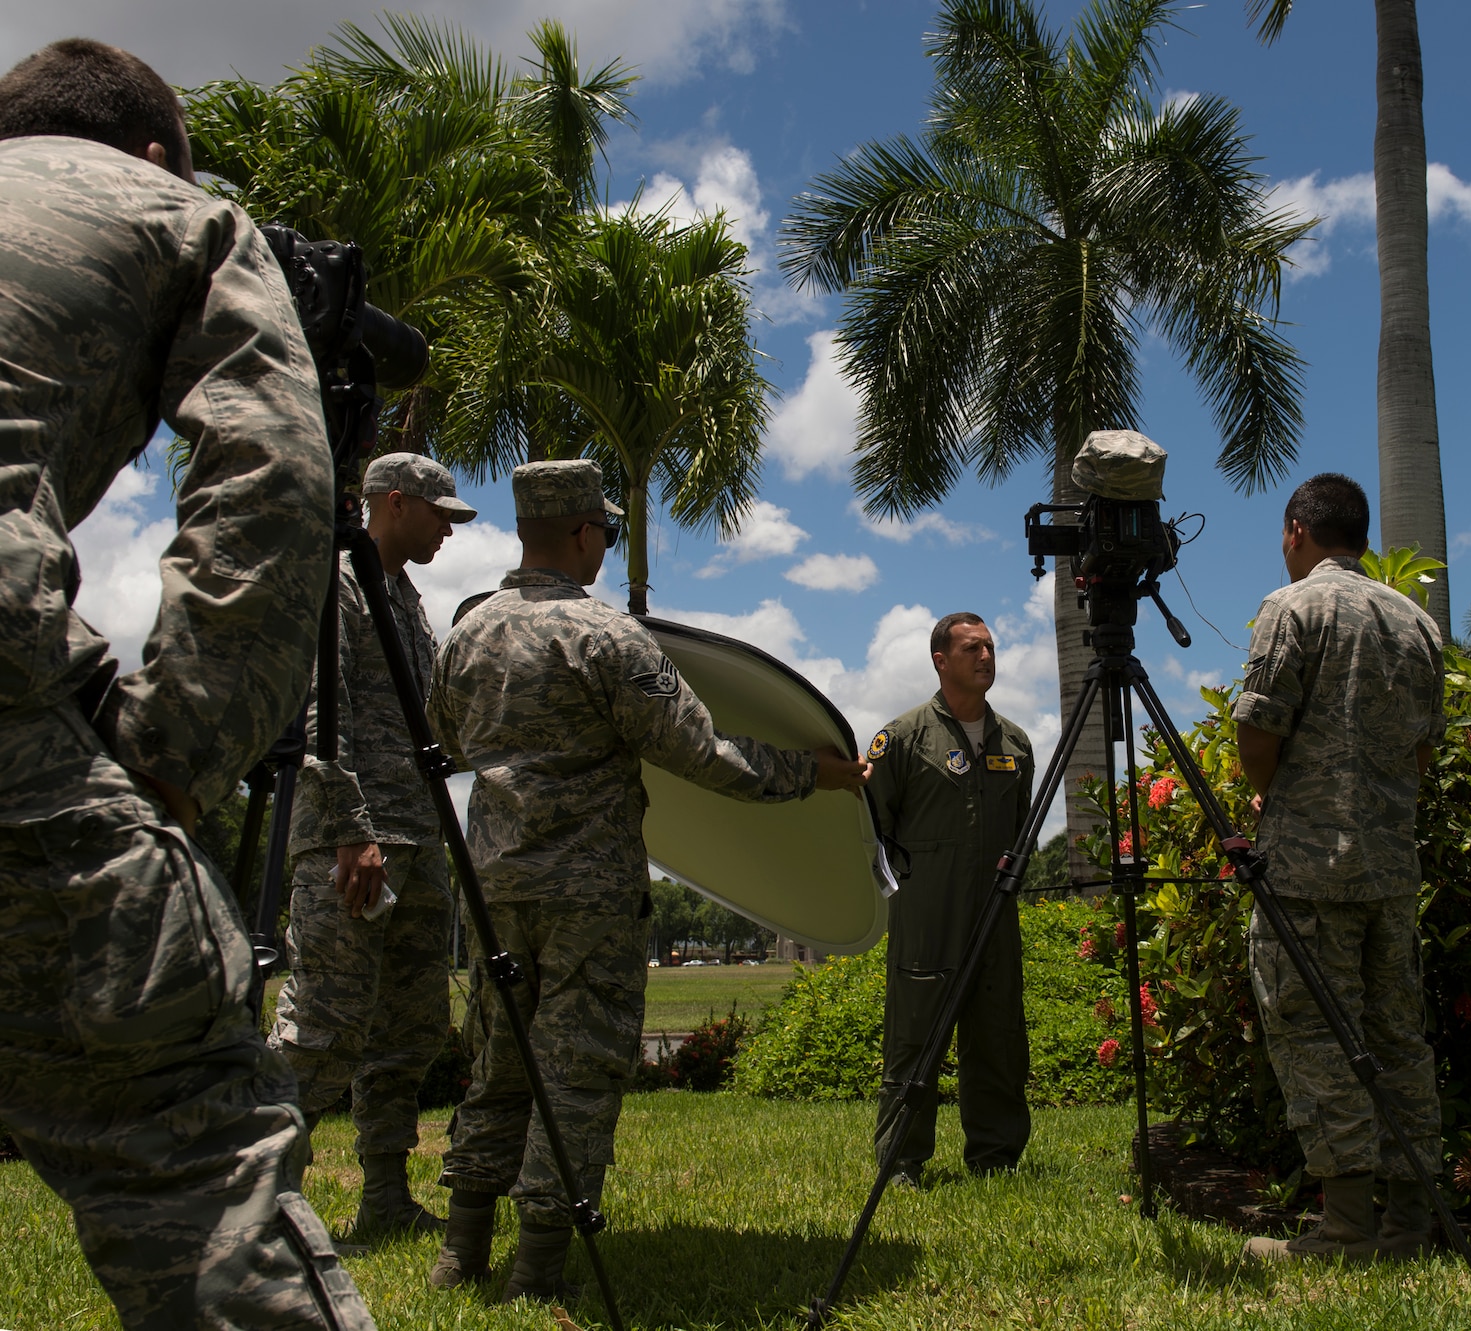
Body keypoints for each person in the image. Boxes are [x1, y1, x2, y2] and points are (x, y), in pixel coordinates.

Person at [0, 38, 374, 1330]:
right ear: (155, 151)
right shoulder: (176, 213)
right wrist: (170, 759)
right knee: (188, 1155)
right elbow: (272, 481)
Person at [424, 459, 869, 1301]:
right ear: (583, 532)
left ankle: (460, 1251)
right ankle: (537, 1271)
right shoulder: (607, 637)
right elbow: (705, 753)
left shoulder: (466, 635)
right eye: (604, 531)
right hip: (587, 895)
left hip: (493, 889)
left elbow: (444, 746)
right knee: (576, 1071)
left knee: (501, 1061)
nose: (604, 545)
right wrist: (814, 773)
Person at [1232, 473, 1449, 1265]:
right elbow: (1423, 751)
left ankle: (1349, 1227)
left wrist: (1281, 801)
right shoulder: (1416, 621)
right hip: (1389, 869)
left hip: (1309, 869)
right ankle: (1412, 1220)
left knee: (1318, 1036)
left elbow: (1259, 735)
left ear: (1297, 530)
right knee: (1398, 1039)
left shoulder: (1293, 607)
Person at [269, 452, 475, 1238]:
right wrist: (349, 831)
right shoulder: (340, 584)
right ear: (394, 503)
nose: (447, 530)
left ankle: (384, 1196)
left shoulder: (407, 602)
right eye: (440, 514)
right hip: (351, 843)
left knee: (408, 1028)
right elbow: (322, 714)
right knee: (325, 1022)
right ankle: (255, 1193)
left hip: (415, 836)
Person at [864, 613, 1035, 1186]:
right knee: (915, 1036)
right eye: (971, 648)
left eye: (990, 647)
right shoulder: (903, 738)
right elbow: (873, 828)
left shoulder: (1016, 743)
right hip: (927, 914)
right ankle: (902, 1161)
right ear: (940, 660)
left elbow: (1021, 829)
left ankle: (996, 1157)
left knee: (999, 1035)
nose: (986, 656)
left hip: (995, 914)